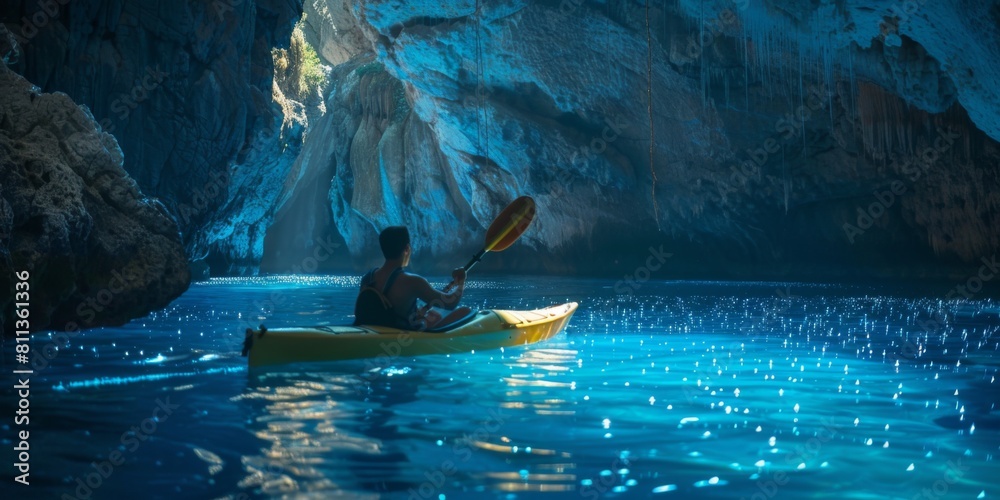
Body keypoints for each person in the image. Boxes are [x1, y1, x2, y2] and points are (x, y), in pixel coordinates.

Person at [355, 226, 472, 330]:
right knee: (466, 311)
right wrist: (461, 282)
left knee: (434, 316)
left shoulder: (367, 277)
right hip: (400, 336)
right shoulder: (413, 281)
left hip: (373, 328)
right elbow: (450, 302)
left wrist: (414, 315)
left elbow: (378, 312)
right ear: (407, 249)